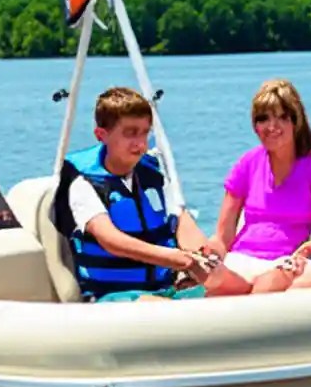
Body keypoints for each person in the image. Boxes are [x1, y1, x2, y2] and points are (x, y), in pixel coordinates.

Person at [53, 86, 221, 303]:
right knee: (167, 308)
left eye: (144, 132)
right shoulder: (83, 183)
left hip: (164, 286)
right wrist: (174, 258)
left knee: (228, 290)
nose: (140, 143)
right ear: (101, 135)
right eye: (130, 133)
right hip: (112, 295)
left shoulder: (153, 174)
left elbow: (179, 220)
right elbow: (111, 240)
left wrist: (203, 253)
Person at [203, 79, 311, 295]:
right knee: (216, 288)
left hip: (292, 262)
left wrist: (308, 250)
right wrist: (210, 256)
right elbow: (222, 235)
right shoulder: (248, 164)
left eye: (282, 117)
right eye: (263, 118)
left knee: (266, 286)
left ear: (296, 121)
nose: (272, 127)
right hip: (242, 259)